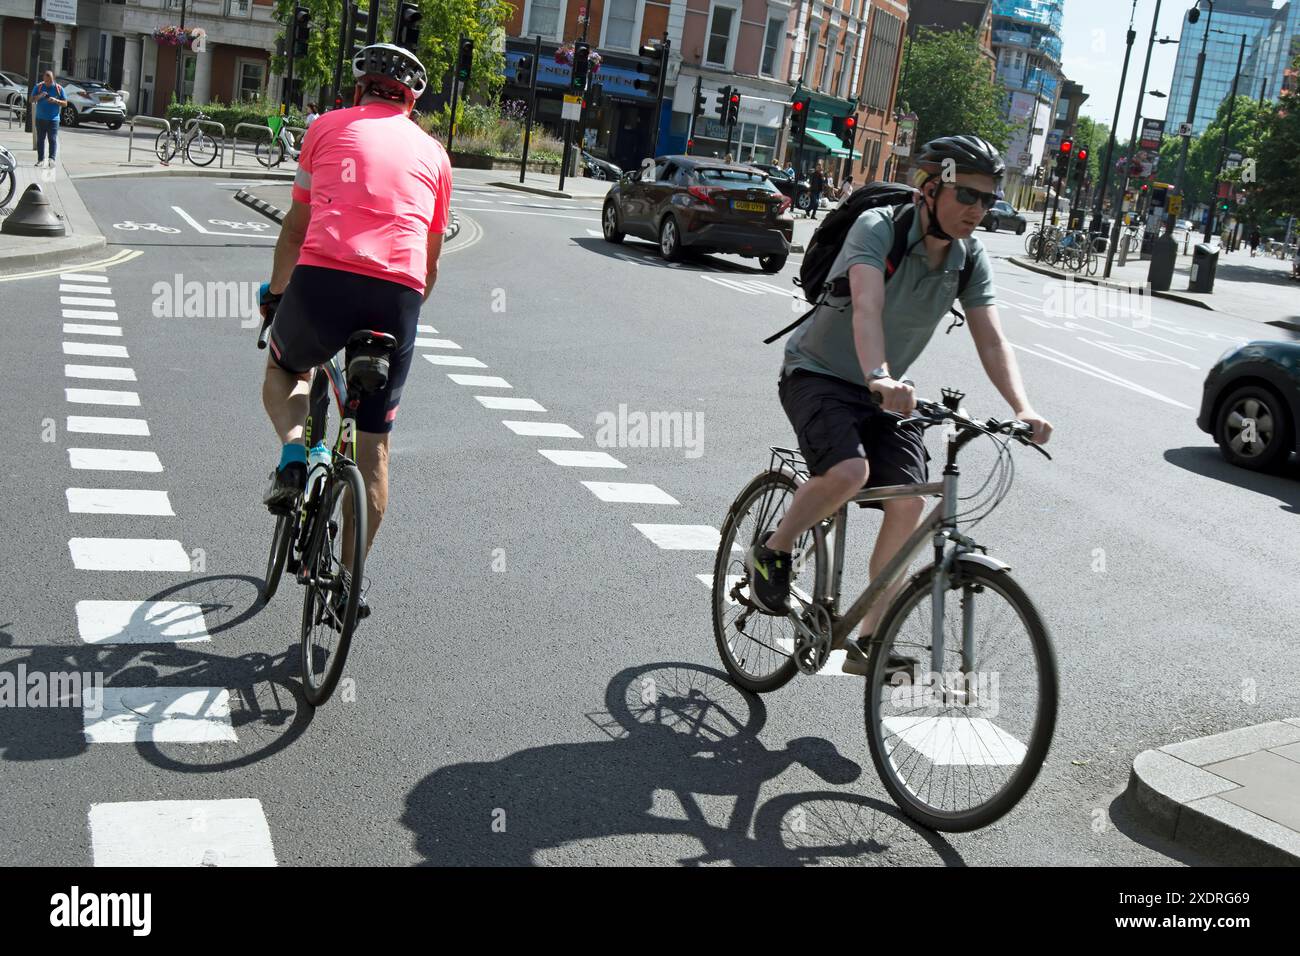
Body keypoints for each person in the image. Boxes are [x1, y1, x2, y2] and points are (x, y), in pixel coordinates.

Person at [745, 134, 1053, 675]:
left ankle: (869, 642)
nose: (978, 211)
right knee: (848, 471)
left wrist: (1023, 408)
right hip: (818, 374)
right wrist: (880, 375)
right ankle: (773, 549)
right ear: (930, 190)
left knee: (909, 502)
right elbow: (866, 305)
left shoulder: (967, 257)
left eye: (987, 200)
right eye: (968, 196)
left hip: (887, 389)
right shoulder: (878, 229)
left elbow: (992, 339)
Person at [259, 43, 452, 616]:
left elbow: (296, 229)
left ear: (358, 90)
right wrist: (405, 316)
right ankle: (347, 583)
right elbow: (432, 263)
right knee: (374, 451)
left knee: (284, 367)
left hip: (321, 282)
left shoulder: (324, 128)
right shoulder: (436, 156)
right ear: (412, 102)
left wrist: (274, 297)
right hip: (396, 296)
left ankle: (295, 453)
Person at [30, 71, 67, 168]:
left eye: (49, 81)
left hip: (53, 119)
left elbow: (65, 103)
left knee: (52, 139)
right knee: (40, 139)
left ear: (53, 79)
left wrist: (56, 101)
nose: (47, 83)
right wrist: (40, 96)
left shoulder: (59, 88)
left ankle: (52, 159)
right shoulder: (39, 87)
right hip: (40, 118)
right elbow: (31, 99)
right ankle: (40, 160)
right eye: (45, 81)